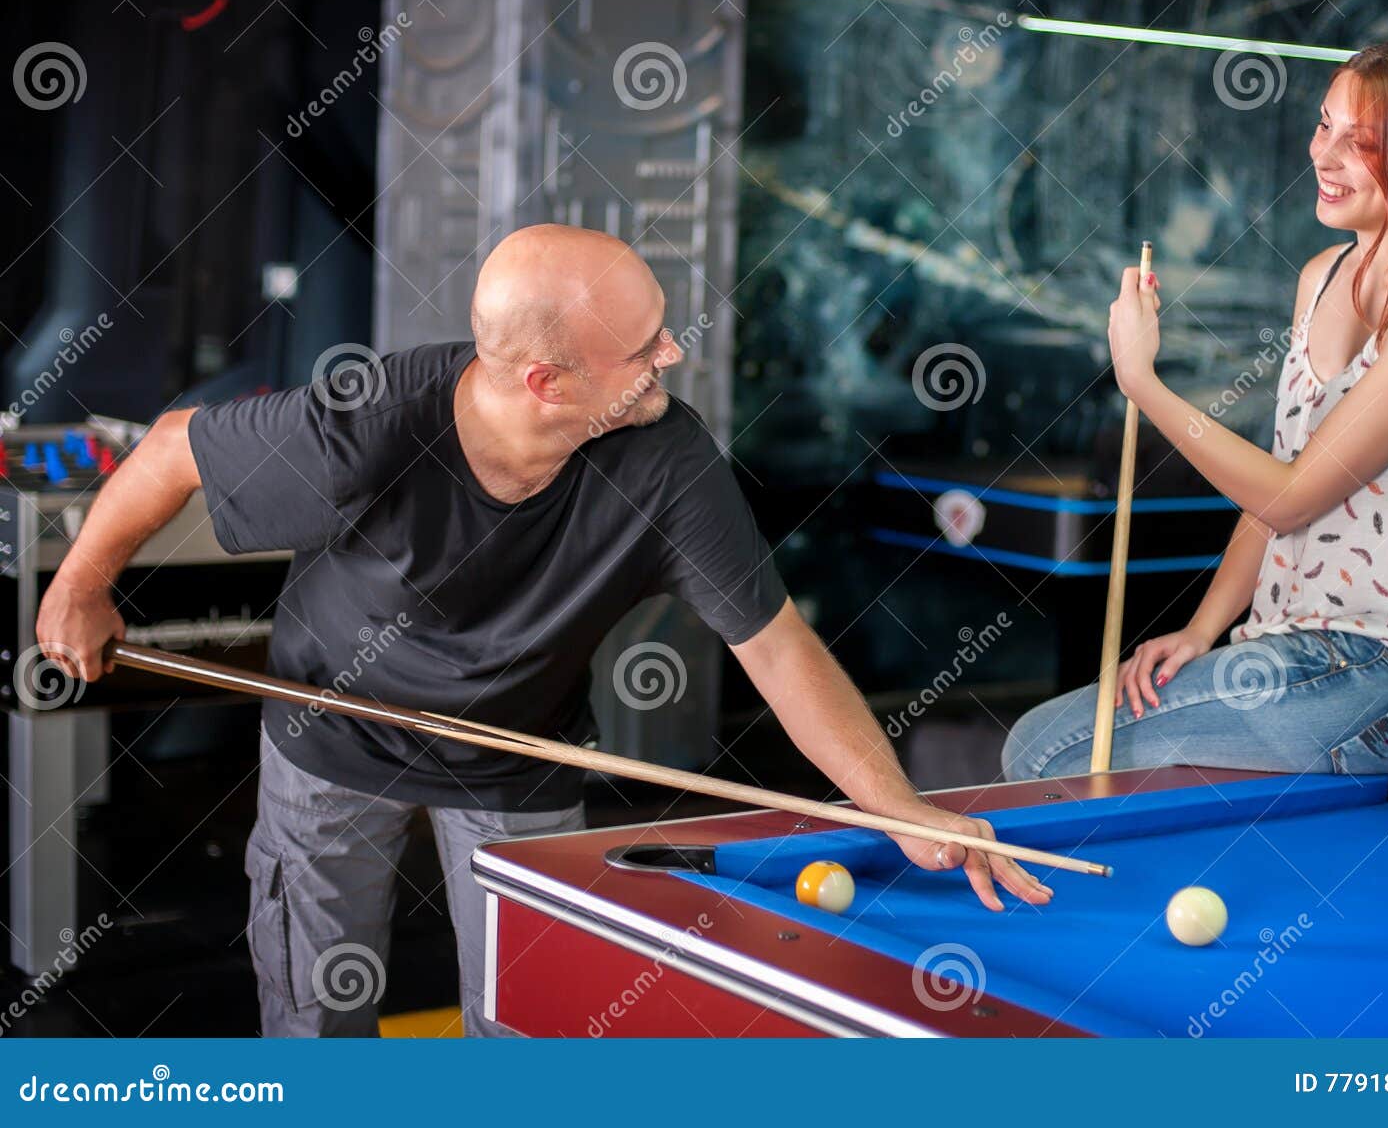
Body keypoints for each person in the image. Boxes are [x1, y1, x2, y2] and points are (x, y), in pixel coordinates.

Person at [36, 224, 1051, 1037]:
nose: (674, 354)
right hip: (333, 739)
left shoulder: (664, 459)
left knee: (531, 1026)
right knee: (315, 1017)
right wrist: (80, 585)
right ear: (547, 381)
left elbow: (775, 644)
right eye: (644, 346)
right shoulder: (367, 425)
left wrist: (894, 807)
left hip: (518, 757)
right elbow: (174, 451)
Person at [1005, 42, 1388, 783]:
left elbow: (1289, 495)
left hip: (1386, 678)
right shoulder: (1321, 276)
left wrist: (1142, 384)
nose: (1326, 155)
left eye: (1361, 142)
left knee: (1042, 749)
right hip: (1286, 648)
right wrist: (1204, 629)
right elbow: (1276, 487)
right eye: (1323, 126)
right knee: (1055, 740)